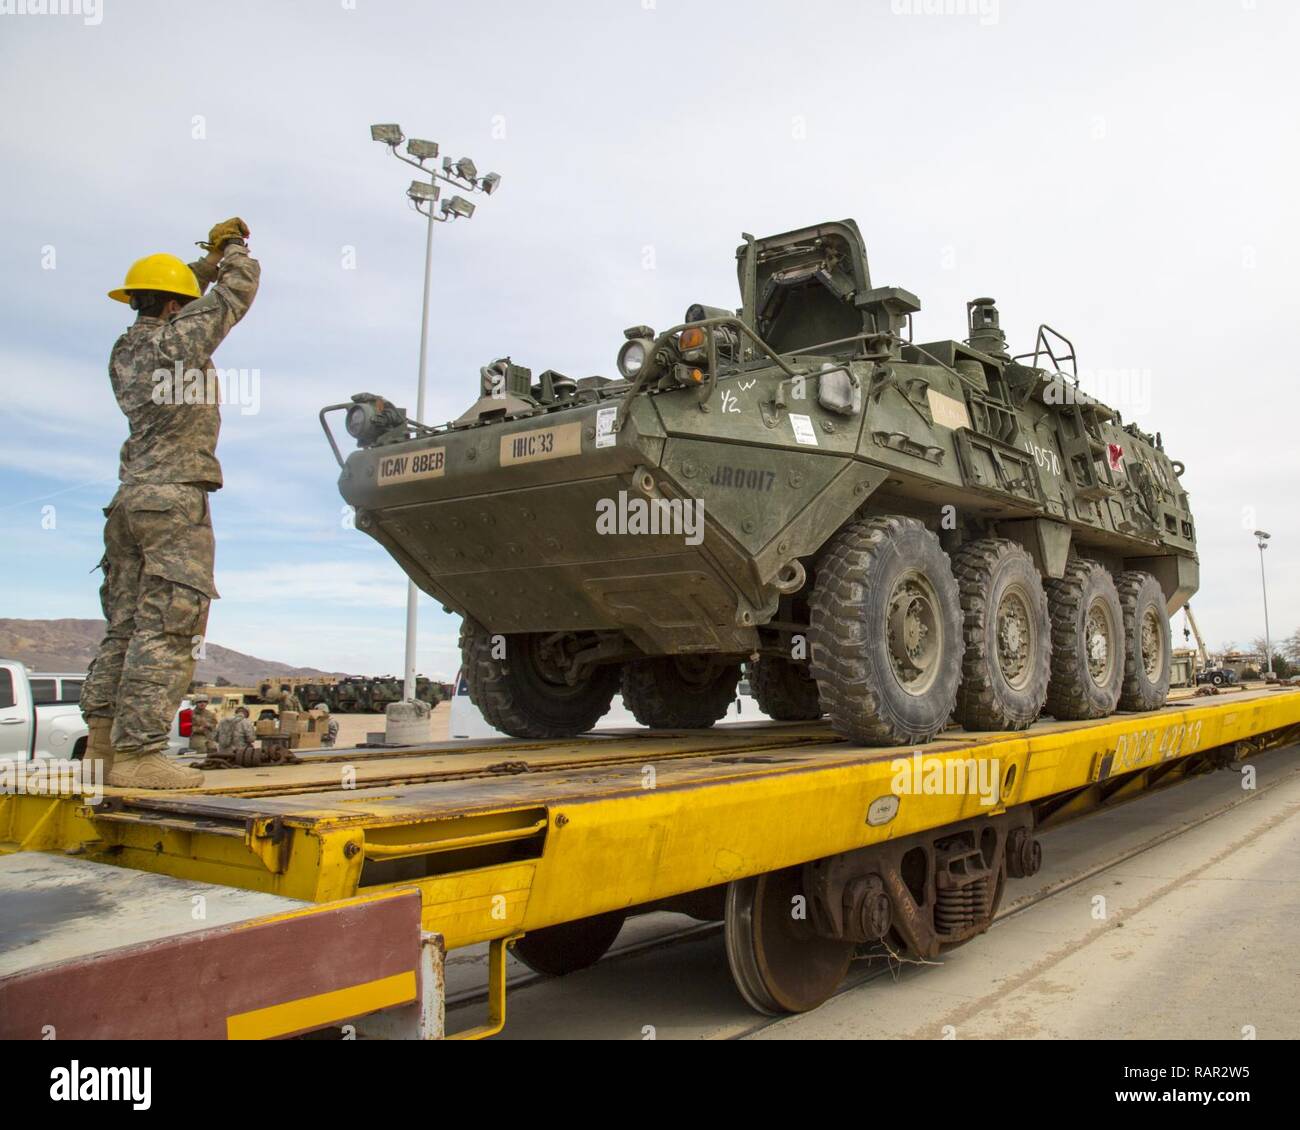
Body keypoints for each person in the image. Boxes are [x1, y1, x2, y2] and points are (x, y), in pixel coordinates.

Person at [80, 218, 260, 789]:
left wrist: (198, 267)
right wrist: (231, 250)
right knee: (169, 628)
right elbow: (238, 290)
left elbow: (188, 298)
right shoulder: (179, 343)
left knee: (127, 626)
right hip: (174, 500)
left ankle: (104, 748)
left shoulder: (126, 349)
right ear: (179, 304)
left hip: (129, 500)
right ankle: (141, 756)